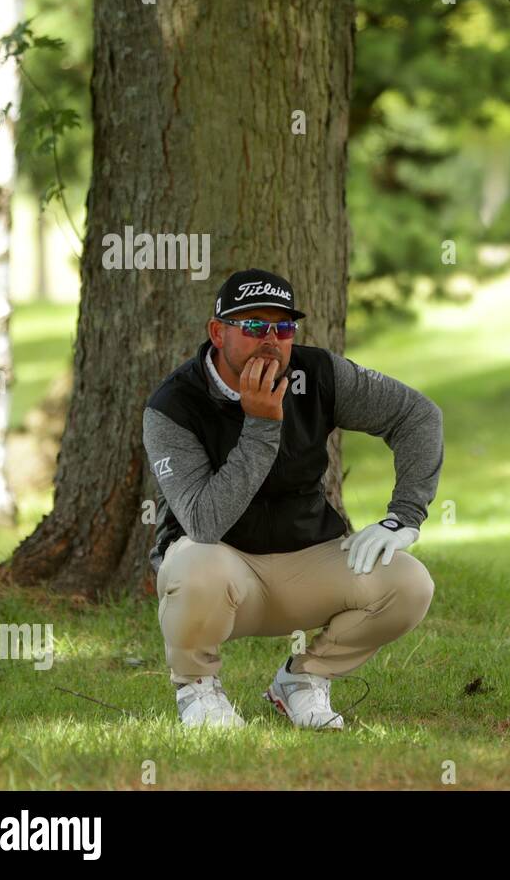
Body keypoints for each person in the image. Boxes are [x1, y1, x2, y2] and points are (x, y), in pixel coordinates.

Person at [143, 268, 443, 729]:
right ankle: (197, 690)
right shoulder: (174, 405)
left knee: (410, 584)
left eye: (283, 328)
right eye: (255, 326)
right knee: (195, 561)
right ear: (217, 332)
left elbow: (418, 416)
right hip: (224, 573)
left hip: (307, 561)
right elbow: (204, 523)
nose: (271, 340)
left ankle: (303, 681)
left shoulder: (318, 372)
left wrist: (404, 515)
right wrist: (261, 424)